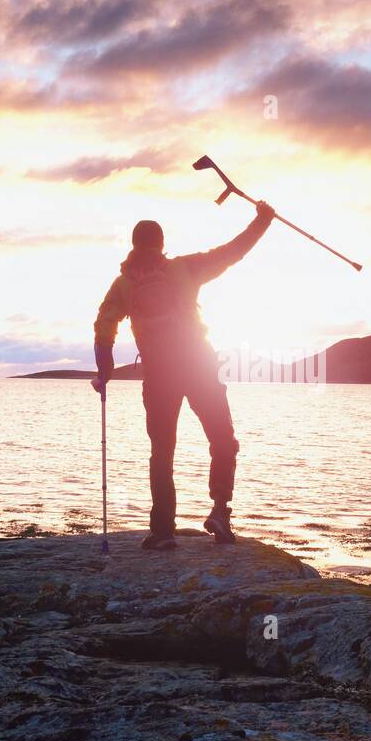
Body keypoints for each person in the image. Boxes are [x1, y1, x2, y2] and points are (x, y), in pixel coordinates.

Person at [92, 201, 275, 550]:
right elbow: (232, 252)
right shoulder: (185, 268)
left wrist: (105, 370)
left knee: (162, 451)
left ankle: (162, 531)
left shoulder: (124, 285)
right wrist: (262, 221)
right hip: (198, 366)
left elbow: (104, 324)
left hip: (160, 376)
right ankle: (220, 510)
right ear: (161, 244)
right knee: (222, 439)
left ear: (133, 245)